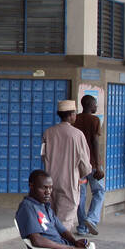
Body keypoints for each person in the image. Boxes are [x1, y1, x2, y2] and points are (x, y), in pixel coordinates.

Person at [41, 99, 93, 231]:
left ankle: (51, 241)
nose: (75, 115)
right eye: (75, 113)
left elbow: (43, 155)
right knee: (66, 218)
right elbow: (85, 163)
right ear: (71, 115)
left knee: (51, 214)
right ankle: (60, 245)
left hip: (50, 180)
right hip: (69, 181)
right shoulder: (77, 135)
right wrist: (80, 174)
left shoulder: (48, 133)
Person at [72, 94, 106, 236]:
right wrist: (98, 165)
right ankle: (91, 219)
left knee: (81, 195)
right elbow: (95, 142)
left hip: (79, 165)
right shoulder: (94, 120)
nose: (96, 106)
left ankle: (82, 227)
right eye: (95, 104)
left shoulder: (75, 119)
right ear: (90, 105)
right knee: (99, 191)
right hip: (92, 163)